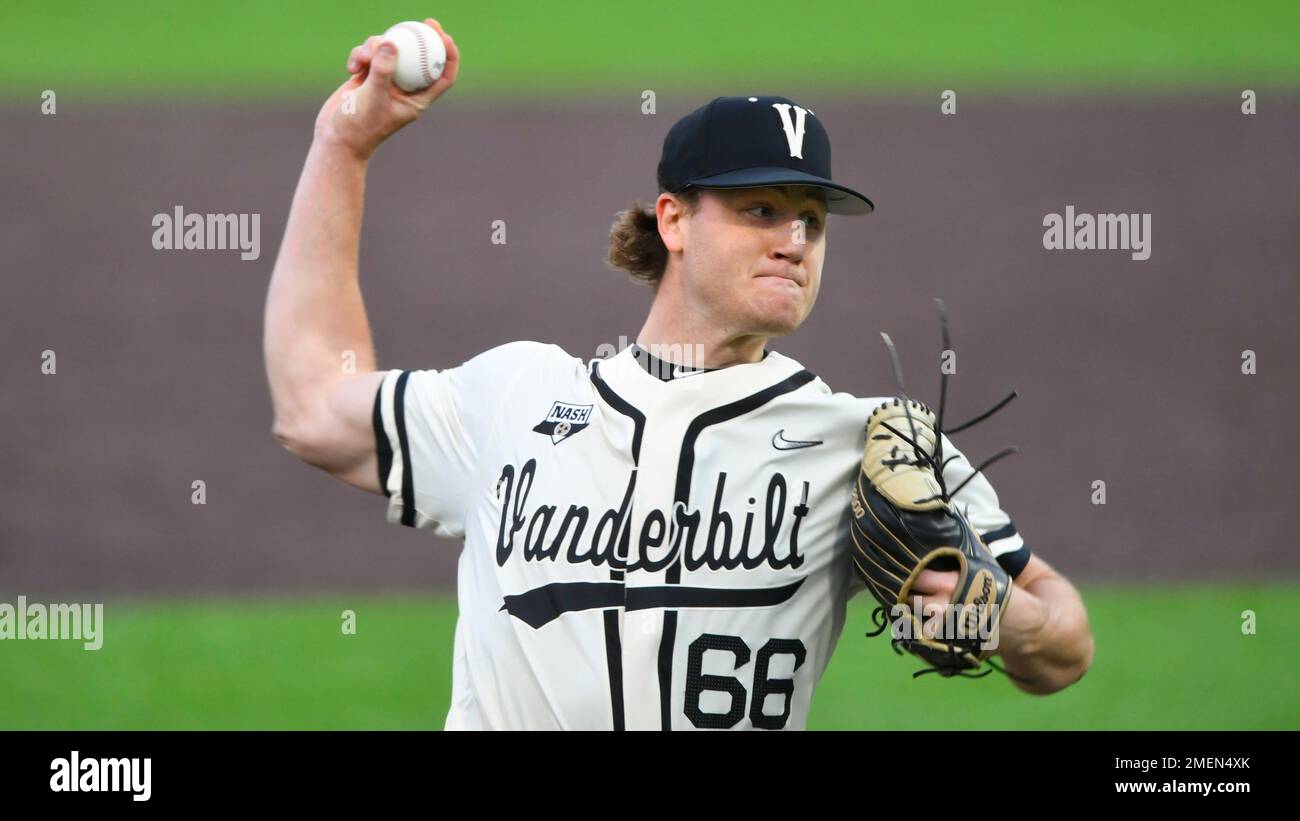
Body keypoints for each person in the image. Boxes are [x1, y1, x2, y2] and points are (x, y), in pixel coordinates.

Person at [263, 20, 1094, 730]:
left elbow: (1066, 645)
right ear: (674, 220)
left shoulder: (869, 444)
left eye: (810, 219)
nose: (794, 239)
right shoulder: (516, 397)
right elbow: (311, 404)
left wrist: (998, 614)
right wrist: (344, 143)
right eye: (759, 210)